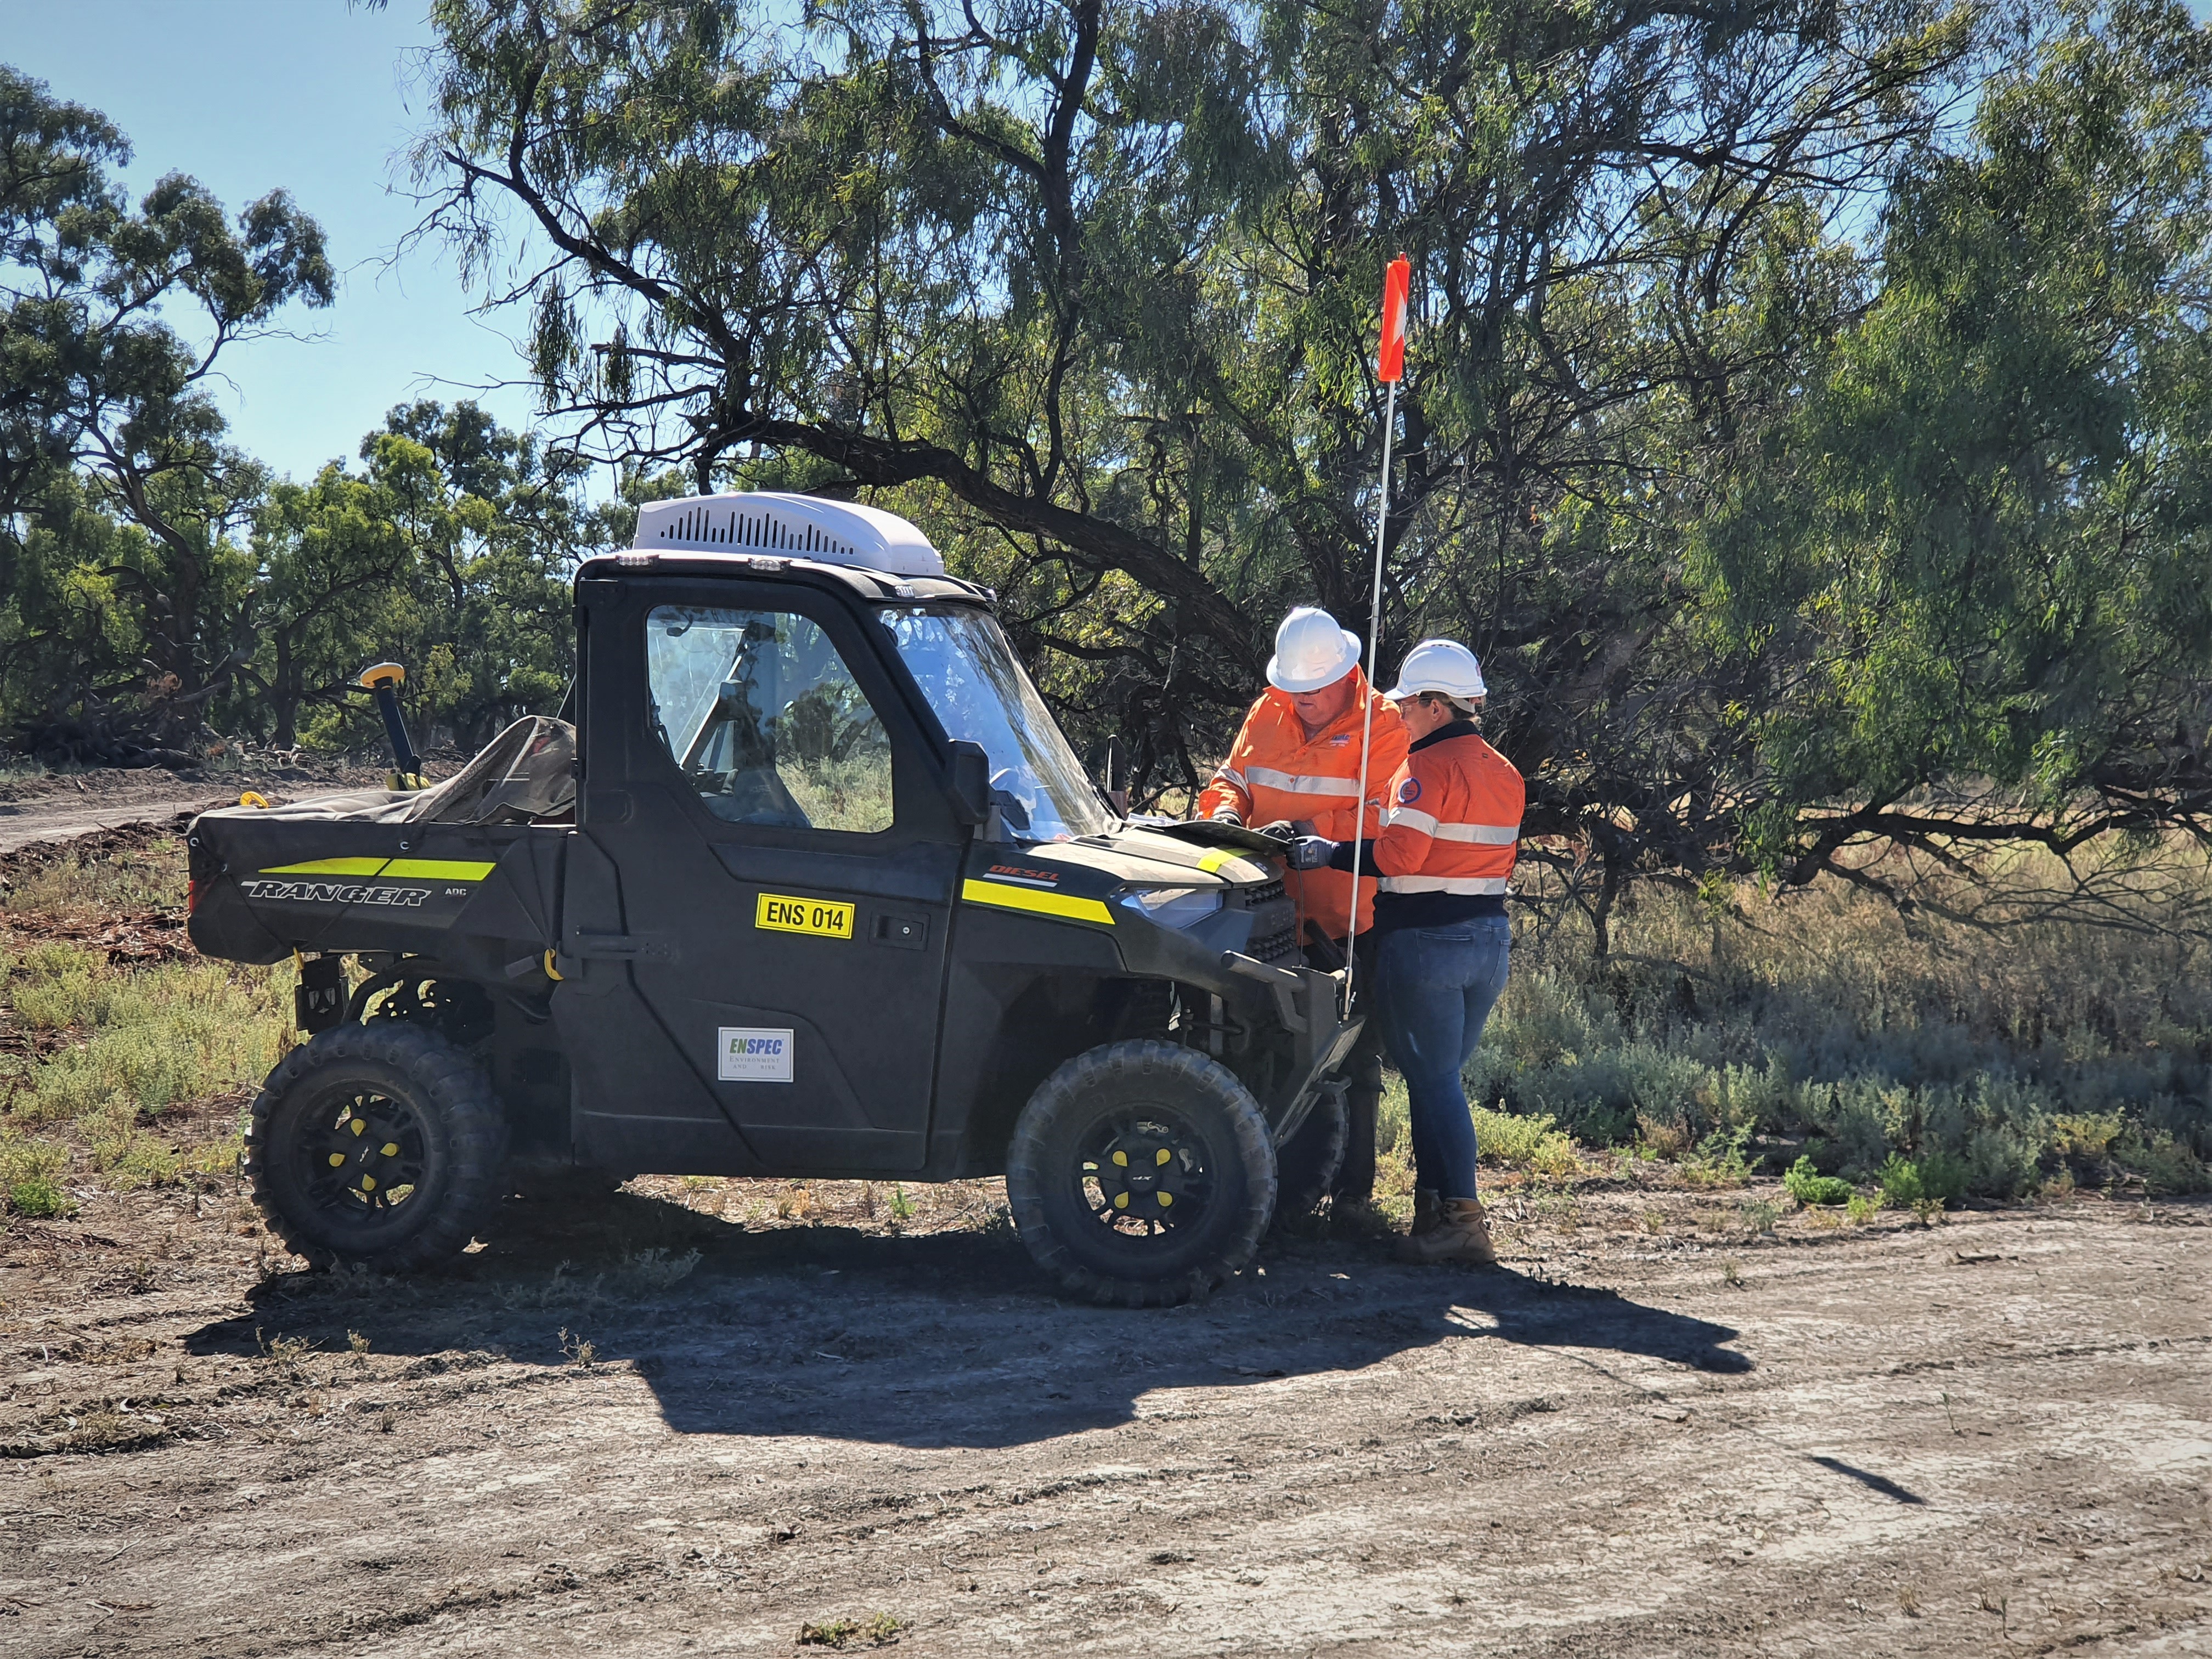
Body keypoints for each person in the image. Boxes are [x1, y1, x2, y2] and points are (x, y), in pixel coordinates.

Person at [1285, 638, 1522, 1265]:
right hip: (1489, 942)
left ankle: (1464, 1222)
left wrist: (1327, 852)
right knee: (1438, 1081)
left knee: (1436, 1081)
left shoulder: (1422, 773)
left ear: (1438, 706)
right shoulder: (1506, 771)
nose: (1399, 715)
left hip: (1427, 946)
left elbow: (1399, 858)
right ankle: (1435, 1212)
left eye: (1409, 705)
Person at [1197, 607, 1408, 1201]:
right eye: (1293, 689)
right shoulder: (1270, 708)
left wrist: (1312, 828)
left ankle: (1351, 1199)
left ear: (1347, 674)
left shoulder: (1384, 727)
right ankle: (1263, 1191)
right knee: (1258, 1047)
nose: (1302, 700)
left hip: (1345, 923)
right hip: (1258, 914)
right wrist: (1224, 811)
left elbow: (1384, 818)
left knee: (1351, 1059)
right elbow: (1230, 778)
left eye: (1313, 690)